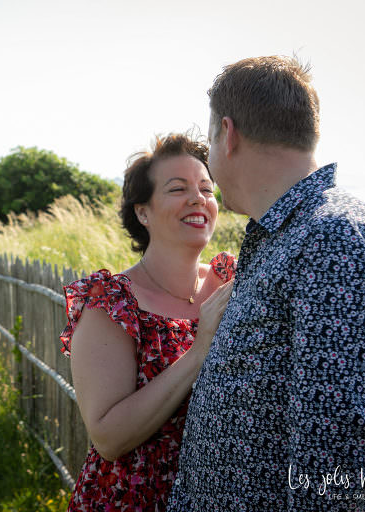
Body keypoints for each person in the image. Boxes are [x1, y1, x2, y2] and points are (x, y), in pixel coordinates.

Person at [167, 56, 365, 511]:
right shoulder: (284, 234)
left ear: (228, 134)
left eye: (210, 141)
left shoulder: (333, 236)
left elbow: (332, 457)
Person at [59, 132, 237, 511]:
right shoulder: (112, 303)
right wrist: (199, 350)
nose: (198, 199)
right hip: (137, 497)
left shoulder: (233, 281)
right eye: (178, 189)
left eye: (206, 188)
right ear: (143, 212)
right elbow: (108, 438)